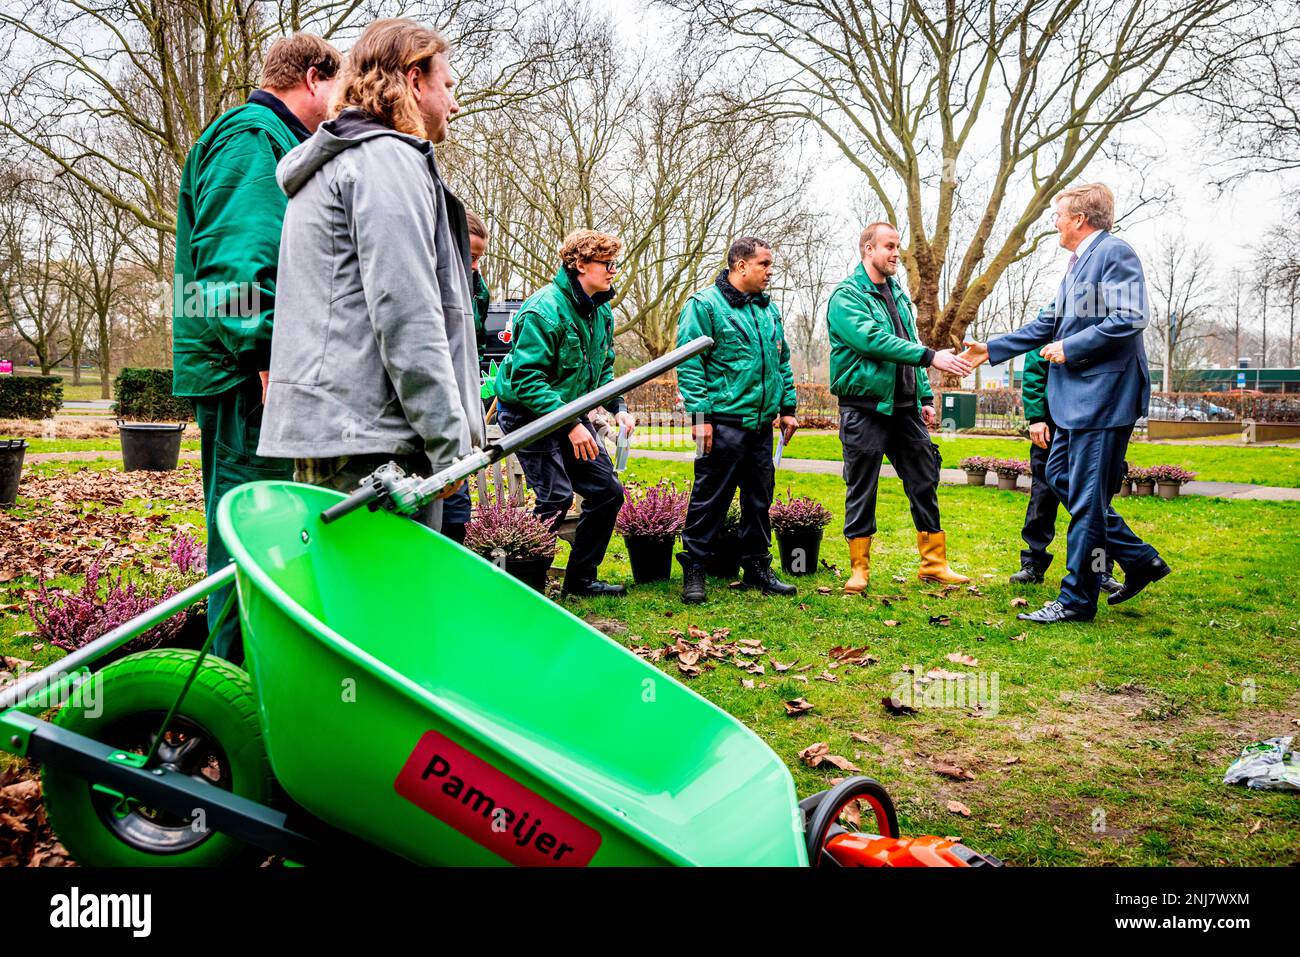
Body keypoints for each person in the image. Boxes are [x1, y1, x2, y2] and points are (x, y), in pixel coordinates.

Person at [259, 18, 484, 533]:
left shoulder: (339, 163)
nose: (454, 102)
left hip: (343, 433)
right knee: (383, 610)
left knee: (342, 602)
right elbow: (406, 310)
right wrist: (452, 444)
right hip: (374, 442)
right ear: (413, 79)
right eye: (447, 85)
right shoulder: (385, 160)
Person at [172, 32, 341, 662]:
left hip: (252, 373)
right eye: (340, 86)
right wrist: (267, 353)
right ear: (315, 78)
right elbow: (235, 270)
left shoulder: (273, 141)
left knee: (263, 534)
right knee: (251, 539)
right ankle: (237, 692)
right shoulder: (251, 140)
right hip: (245, 379)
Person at [962, 183, 1170, 624]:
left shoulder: (1115, 253)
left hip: (1104, 397)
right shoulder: (1078, 265)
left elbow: (1130, 318)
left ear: (1079, 219)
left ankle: (1077, 599)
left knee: (1088, 503)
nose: (1054, 222)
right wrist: (993, 348)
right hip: (1075, 402)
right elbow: (1049, 322)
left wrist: (1071, 348)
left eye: (1058, 215)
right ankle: (1139, 559)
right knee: (1058, 476)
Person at [828, 222, 974, 595]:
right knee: (863, 486)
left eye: (898, 246)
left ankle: (934, 564)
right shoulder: (847, 297)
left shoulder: (898, 294)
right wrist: (930, 357)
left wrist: (924, 397)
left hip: (906, 409)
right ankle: (859, 569)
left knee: (924, 479)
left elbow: (908, 343)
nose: (896, 253)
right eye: (889, 246)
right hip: (866, 409)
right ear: (868, 250)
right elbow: (872, 341)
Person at [493, 229, 635, 598]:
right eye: (607, 264)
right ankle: (524, 582)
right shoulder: (544, 310)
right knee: (555, 497)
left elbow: (604, 367)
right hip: (528, 415)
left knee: (607, 492)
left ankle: (580, 581)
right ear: (580, 264)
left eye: (614, 264)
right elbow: (526, 379)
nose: (613, 271)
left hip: (569, 414)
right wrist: (571, 423)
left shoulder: (601, 311)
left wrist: (618, 407)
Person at [674, 236, 800, 605]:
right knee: (709, 500)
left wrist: (788, 408)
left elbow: (782, 361)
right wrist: (700, 417)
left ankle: (757, 567)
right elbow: (690, 363)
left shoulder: (768, 310)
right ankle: (694, 569)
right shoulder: (704, 306)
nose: (770, 271)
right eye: (764, 264)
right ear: (740, 265)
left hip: (760, 425)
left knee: (759, 500)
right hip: (722, 424)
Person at [1011, 340, 1121, 596]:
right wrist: (1037, 417)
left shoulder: (1102, 327)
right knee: (1043, 495)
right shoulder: (1052, 321)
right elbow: (1035, 369)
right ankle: (1033, 563)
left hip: (1091, 422)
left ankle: (1101, 569)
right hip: (1052, 423)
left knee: (1095, 498)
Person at [441, 209, 491, 546]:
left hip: (460, 403)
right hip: (437, 403)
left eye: (479, 259)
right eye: (470, 257)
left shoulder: (477, 289)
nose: (475, 266)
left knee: (457, 509)